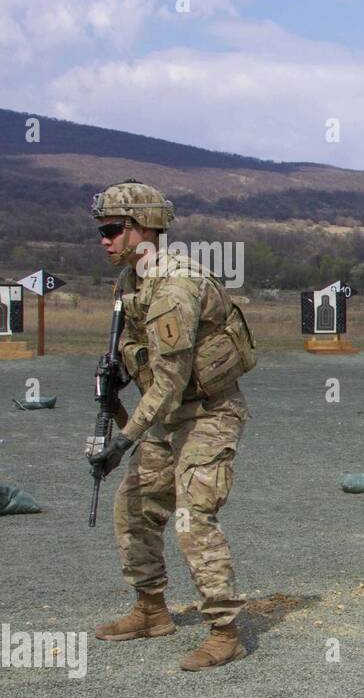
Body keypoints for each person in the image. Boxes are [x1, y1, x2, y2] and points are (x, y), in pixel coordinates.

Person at [87, 179, 256, 670]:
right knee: (134, 506)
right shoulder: (131, 282)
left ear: (143, 228)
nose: (104, 240)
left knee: (192, 517)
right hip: (166, 416)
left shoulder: (175, 287)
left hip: (207, 414)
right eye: (101, 230)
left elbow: (170, 382)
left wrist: (122, 440)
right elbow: (140, 359)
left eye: (112, 230)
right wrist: (116, 378)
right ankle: (151, 610)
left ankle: (224, 631)